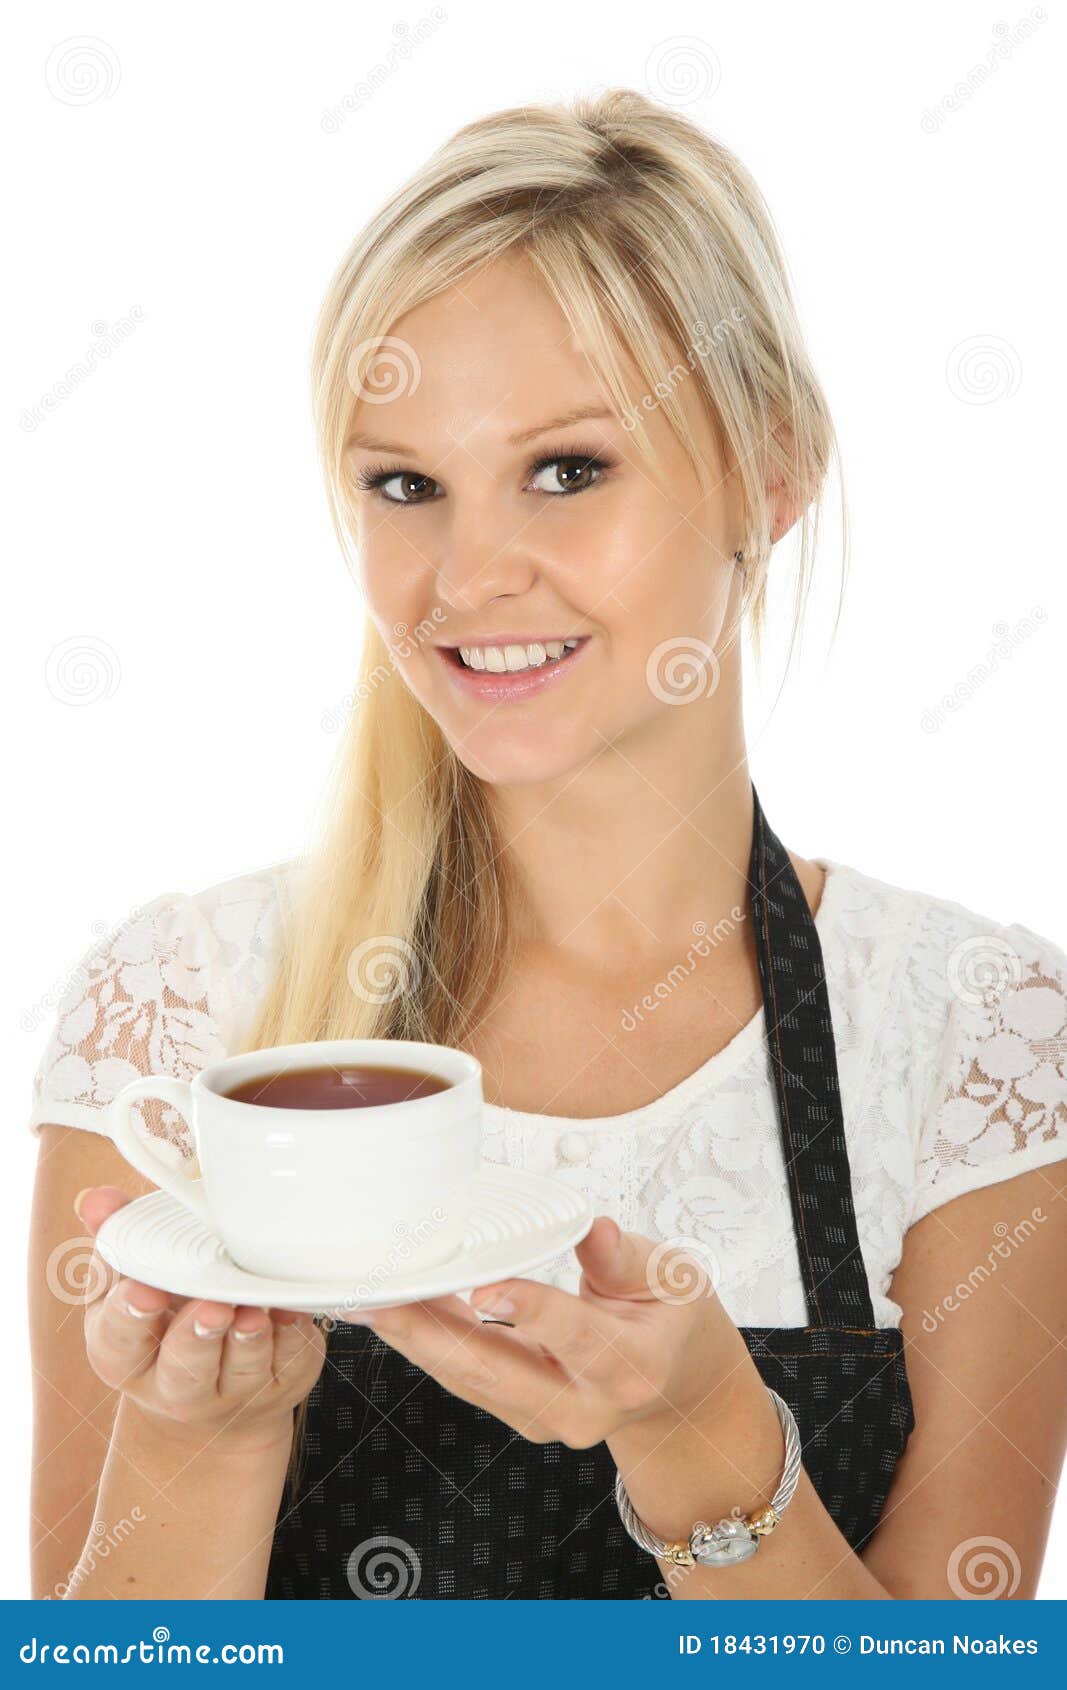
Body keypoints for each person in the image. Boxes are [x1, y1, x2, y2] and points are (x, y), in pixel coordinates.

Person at [28, 88, 1067, 1603]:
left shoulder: (977, 1039)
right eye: (406, 485)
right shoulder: (182, 1011)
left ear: (771, 477)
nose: (469, 574)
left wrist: (705, 1437)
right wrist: (212, 1436)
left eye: (569, 470)